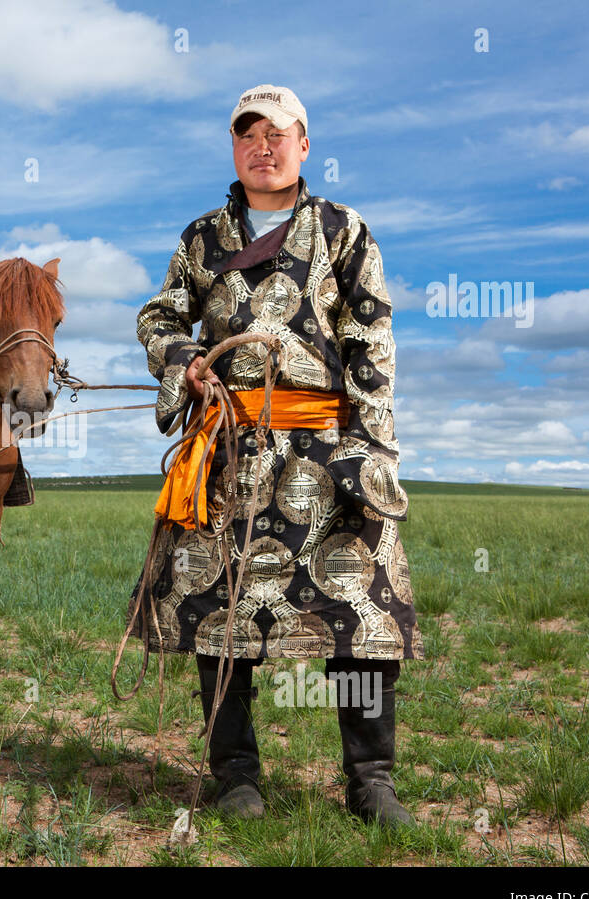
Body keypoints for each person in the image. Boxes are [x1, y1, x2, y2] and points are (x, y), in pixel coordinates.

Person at [129, 85, 424, 826]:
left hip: (330, 452)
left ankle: (371, 780)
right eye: (248, 133)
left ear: (303, 145)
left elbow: (372, 339)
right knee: (219, 616)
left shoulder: (344, 230)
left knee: (359, 615)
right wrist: (186, 359)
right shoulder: (203, 237)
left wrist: (372, 449)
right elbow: (159, 313)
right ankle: (234, 776)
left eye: (278, 133)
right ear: (235, 148)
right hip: (228, 451)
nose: (263, 145)